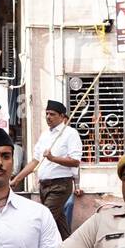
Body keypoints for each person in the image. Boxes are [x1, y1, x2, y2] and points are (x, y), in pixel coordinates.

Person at [11, 100, 81, 239]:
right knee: (60, 224)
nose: (48, 117)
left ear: (62, 116)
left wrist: (53, 158)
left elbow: (75, 161)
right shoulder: (45, 135)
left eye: (52, 114)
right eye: (47, 114)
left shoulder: (70, 133)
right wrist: (16, 179)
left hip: (60, 185)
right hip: (44, 186)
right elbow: (35, 161)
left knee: (44, 221)